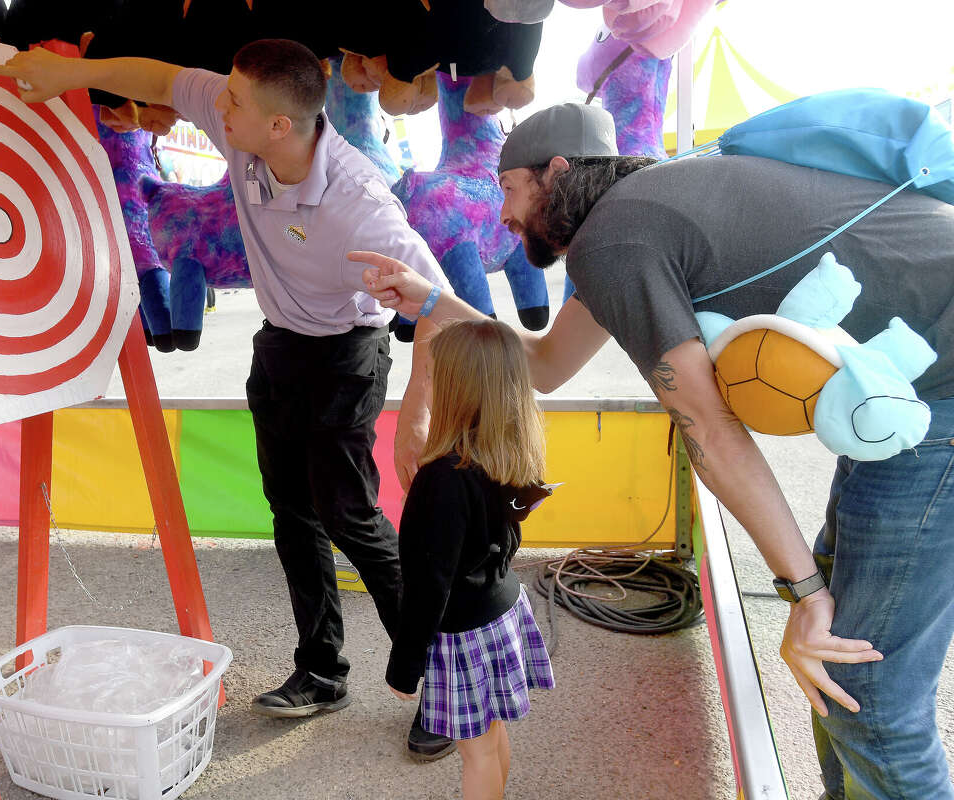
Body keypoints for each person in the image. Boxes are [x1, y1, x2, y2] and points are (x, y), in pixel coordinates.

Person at [352, 102, 954, 799]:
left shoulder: (618, 238)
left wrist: (803, 593)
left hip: (939, 388)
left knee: (862, 685)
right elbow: (547, 364)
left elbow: (710, 428)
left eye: (509, 187)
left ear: (556, 172)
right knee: (843, 665)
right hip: (916, 386)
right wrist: (430, 300)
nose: (502, 214)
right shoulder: (640, 210)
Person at [0, 38, 455, 760]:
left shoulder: (363, 206)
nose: (214, 106)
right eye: (223, 95)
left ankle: (443, 681)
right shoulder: (243, 122)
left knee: (349, 516)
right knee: (292, 514)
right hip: (282, 344)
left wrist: (418, 410)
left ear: (279, 128)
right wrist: (69, 75)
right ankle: (323, 671)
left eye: (232, 102)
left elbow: (442, 307)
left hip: (348, 353)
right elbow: (156, 75)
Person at [386, 318, 555, 800]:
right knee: (492, 732)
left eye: (435, 376)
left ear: (457, 390)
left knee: (475, 750)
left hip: (462, 635)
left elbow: (427, 586)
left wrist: (404, 665)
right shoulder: (509, 450)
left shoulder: (440, 481)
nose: (429, 385)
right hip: (502, 610)